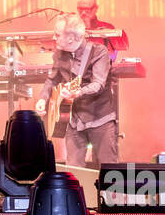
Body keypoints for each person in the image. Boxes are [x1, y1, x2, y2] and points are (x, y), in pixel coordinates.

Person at [36, 14, 118, 167]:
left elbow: (98, 84)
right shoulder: (59, 55)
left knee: (110, 172)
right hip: (74, 121)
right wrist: (43, 98)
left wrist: (77, 93)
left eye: (58, 34)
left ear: (71, 39)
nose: (54, 37)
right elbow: (52, 79)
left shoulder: (99, 52)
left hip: (100, 119)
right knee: (74, 173)